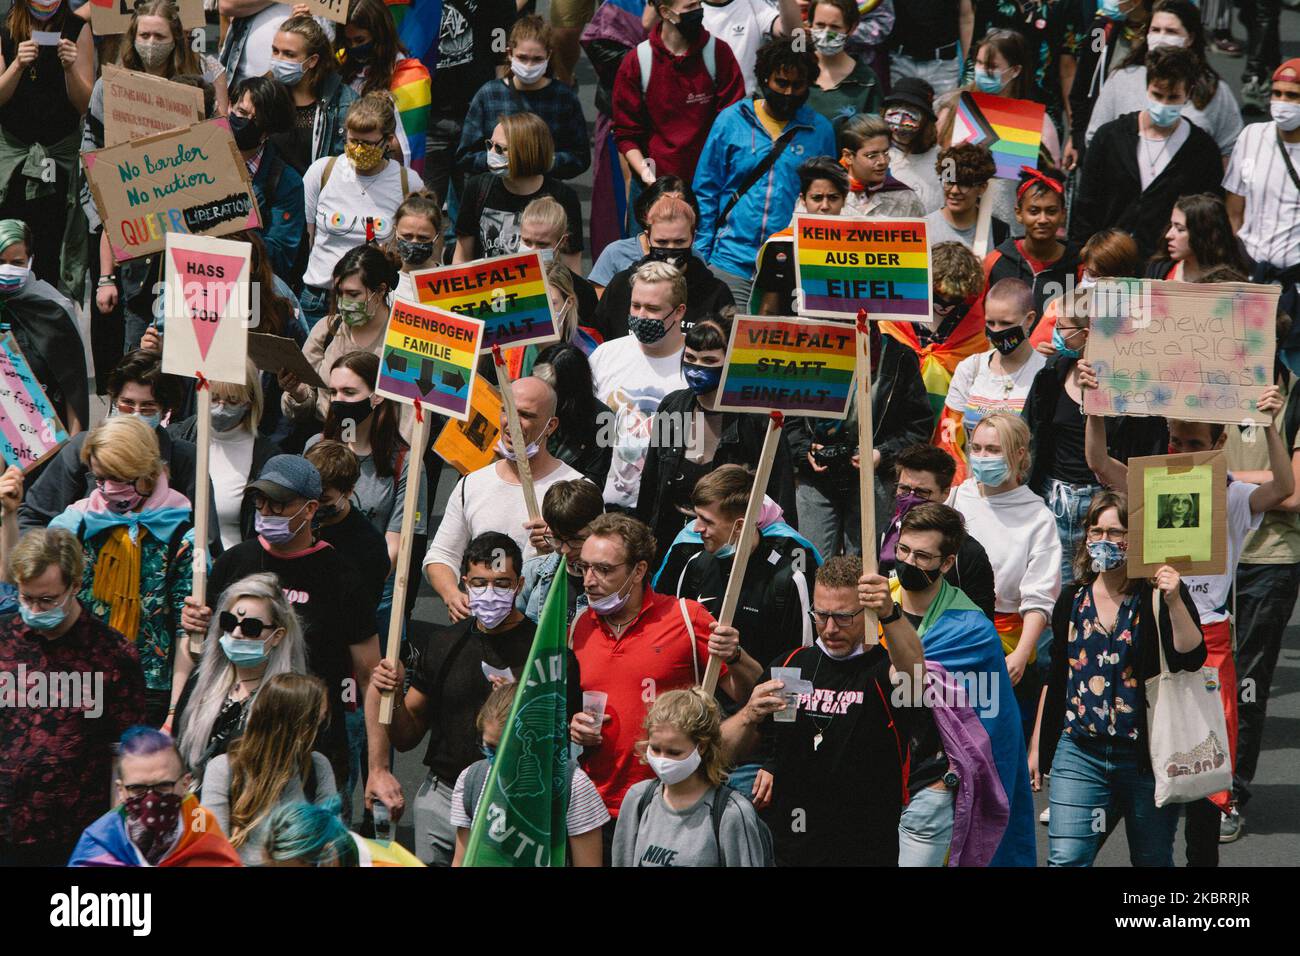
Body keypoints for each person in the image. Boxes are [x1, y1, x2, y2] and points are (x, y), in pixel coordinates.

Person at [1081, 379, 1292, 865]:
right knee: (1143, 746)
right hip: (1151, 625)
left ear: (1219, 444)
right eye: (1177, 441)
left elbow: (1284, 487)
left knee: (1205, 762)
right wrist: (1095, 408)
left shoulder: (1236, 497)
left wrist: (1272, 426)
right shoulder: (1154, 480)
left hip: (1210, 637)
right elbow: (1098, 463)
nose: (1183, 450)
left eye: (1195, 443)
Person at [366, 532, 583, 865]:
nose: (489, 593)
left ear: (520, 583)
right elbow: (407, 736)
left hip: (514, 803)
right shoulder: (442, 645)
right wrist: (392, 696)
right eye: (479, 583)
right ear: (465, 583)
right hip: (443, 798)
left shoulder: (549, 655)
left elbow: (560, 747)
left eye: (501, 583)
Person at [181, 454, 380, 789]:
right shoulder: (235, 563)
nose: (267, 512)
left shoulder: (340, 575)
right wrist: (194, 632)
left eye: (280, 503)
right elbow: (204, 653)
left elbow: (369, 674)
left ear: (311, 509)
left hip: (310, 743)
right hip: (232, 740)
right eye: (261, 501)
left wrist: (378, 768)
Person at [1032, 491, 1207, 867]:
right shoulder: (1072, 600)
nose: (1104, 541)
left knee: (1152, 859)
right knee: (1066, 859)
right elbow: (1058, 675)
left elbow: (1191, 658)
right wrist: (1038, 747)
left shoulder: (1156, 598)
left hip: (1146, 757)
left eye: (1116, 532)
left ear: (1137, 539)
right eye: (1096, 531)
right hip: (1079, 752)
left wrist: (1175, 599)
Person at [570, 514, 756, 860]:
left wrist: (738, 655)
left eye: (604, 570)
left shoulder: (686, 617)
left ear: (639, 571)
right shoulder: (580, 625)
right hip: (594, 806)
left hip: (671, 805)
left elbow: (744, 693)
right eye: (584, 568)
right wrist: (574, 726)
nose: (590, 581)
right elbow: (565, 709)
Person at [719, 554, 925, 866]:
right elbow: (727, 754)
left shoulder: (884, 670)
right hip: (792, 845)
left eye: (843, 617)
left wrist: (890, 614)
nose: (829, 628)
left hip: (865, 847)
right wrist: (749, 715)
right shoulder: (790, 667)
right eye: (821, 614)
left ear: (867, 610)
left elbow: (915, 676)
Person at [880, 503, 1037, 865]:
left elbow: (989, 719)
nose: (908, 562)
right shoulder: (873, 604)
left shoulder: (971, 629)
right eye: (903, 550)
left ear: (947, 563)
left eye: (922, 556)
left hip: (930, 783)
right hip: (873, 772)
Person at [0, 526, 146, 865]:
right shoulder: (4, 639)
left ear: (76, 586)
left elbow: (125, 756)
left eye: (47, 600)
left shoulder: (113, 654)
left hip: (76, 836)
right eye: (26, 598)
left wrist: (117, 837)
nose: (35, 610)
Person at [43, 416, 195, 729]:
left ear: (148, 473)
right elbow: (36, 587)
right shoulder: (78, 522)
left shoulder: (180, 534)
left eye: (118, 478)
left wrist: (172, 716)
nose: (108, 489)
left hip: (148, 690)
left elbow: (185, 630)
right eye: (100, 479)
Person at [692, 36, 837, 308]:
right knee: (724, 343)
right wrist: (702, 255)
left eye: (798, 85)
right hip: (729, 262)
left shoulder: (821, 131)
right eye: (781, 82)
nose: (788, 92)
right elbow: (706, 191)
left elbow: (827, 199)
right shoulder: (730, 120)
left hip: (791, 268)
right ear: (764, 79)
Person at [424, 377, 584, 621]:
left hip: (543, 630)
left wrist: (561, 547)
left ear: (550, 426)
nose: (513, 424)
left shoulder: (577, 490)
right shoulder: (471, 484)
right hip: (482, 628)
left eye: (526, 415)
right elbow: (441, 556)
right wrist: (452, 595)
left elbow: (595, 568)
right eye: (506, 411)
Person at [635, 321, 798, 561]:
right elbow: (650, 486)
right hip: (670, 546)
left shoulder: (759, 421)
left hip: (731, 551)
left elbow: (781, 497)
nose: (696, 368)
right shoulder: (672, 406)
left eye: (709, 361)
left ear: (730, 362)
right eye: (690, 357)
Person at [947, 413, 1061, 737]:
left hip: (1006, 641)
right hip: (950, 633)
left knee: (996, 741)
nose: (982, 457)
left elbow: (1040, 597)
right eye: (977, 448)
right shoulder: (957, 498)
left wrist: (1022, 655)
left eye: (994, 450)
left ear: (1020, 453)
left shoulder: (1037, 515)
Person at [18, 350, 202, 533]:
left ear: (164, 410)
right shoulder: (82, 449)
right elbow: (33, 518)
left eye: (147, 407)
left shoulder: (185, 459)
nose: (135, 413)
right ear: (114, 402)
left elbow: (205, 539)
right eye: (127, 404)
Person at [1070, 46, 1225, 259]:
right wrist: (1080, 261)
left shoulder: (1202, 151)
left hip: (1162, 270)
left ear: (1188, 93)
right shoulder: (1110, 137)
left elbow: (1206, 221)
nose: (1163, 105)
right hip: (1105, 262)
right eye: (1157, 95)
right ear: (1147, 88)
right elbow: (1086, 208)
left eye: (1173, 97)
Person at [452, 680, 608, 866]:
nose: (499, 759)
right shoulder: (472, 779)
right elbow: (462, 861)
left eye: (510, 750)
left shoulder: (573, 785)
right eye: (491, 747)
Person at [173, 572, 307, 784]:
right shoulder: (201, 682)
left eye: (250, 627)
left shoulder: (292, 696)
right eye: (229, 622)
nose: (236, 633)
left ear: (278, 636)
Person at [613, 688, 771, 866]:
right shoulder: (638, 799)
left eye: (674, 752)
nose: (662, 760)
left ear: (701, 747)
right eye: (655, 749)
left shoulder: (731, 812)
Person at [305, 350, 427, 581]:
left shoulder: (406, 462)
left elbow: (396, 543)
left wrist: (356, 585)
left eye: (349, 392)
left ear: (377, 397)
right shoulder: (315, 447)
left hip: (371, 586)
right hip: (314, 580)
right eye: (333, 392)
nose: (338, 400)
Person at [0, 0, 93, 297]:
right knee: (11, 237)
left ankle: (48, 314)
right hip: (15, 158)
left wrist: (69, 68)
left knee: (51, 242)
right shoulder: (5, 25)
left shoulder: (78, 28)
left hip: (59, 159)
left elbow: (85, 105)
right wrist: (17, 65)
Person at [299, 93, 416, 325]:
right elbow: (308, 236)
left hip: (371, 303)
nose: (359, 149)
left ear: (388, 140)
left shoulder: (408, 183)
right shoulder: (322, 172)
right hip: (318, 300)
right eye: (353, 141)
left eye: (368, 143)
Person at [201, 673, 336, 865]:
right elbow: (215, 850)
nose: (320, 730)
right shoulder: (224, 769)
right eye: (317, 722)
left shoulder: (317, 766)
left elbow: (332, 842)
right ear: (297, 726)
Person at [612, 0, 744, 195]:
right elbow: (626, 134)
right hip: (653, 187)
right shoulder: (637, 61)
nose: (699, 11)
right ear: (666, 12)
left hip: (708, 188)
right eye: (690, 7)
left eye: (699, 4)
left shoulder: (719, 53)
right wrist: (651, 181)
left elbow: (733, 123)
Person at [1085, 1, 1243, 161]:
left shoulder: (1214, 90)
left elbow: (1230, 150)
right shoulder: (1122, 78)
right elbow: (1096, 137)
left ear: (1190, 38)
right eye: (1155, 30)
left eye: (1171, 32)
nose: (1161, 38)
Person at [589, 260, 688, 511]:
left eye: (653, 308)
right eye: (636, 305)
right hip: (602, 504)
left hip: (663, 509)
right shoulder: (606, 355)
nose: (641, 316)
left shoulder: (697, 365)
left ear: (679, 311)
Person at [69, 726, 242, 867]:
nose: (151, 801)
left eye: (163, 786)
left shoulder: (201, 826)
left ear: (185, 784)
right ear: (121, 790)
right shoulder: (99, 843)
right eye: (137, 789)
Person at [280, 244, 406, 439]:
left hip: (380, 449)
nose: (343, 302)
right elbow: (306, 408)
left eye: (353, 294)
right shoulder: (327, 330)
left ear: (380, 291)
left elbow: (410, 417)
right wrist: (297, 392)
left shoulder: (403, 339)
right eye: (339, 293)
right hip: (328, 444)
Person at [456, 15, 590, 182]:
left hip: (545, 196)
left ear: (548, 56)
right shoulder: (489, 94)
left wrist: (542, 162)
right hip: (497, 192)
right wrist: (499, 160)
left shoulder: (563, 98)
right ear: (510, 53)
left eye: (537, 59)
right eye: (522, 57)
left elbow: (580, 158)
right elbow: (465, 155)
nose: (529, 66)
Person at [878, 241, 989, 434]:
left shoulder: (977, 328)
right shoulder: (893, 316)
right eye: (938, 295)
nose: (945, 305)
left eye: (955, 298)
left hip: (947, 424)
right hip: (891, 419)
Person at [941, 278, 1045, 482]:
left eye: (1006, 323)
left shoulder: (1043, 373)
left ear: (1030, 319)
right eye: (990, 323)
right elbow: (950, 439)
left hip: (1021, 490)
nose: (997, 330)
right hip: (971, 488)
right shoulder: (970, 368)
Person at [1223, 58, 1300, 333]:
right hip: (1250, 274)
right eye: (1277, 94)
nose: (1282, 102)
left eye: (1292, 96)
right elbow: (1234, 207)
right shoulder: (1251, 136)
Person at [418, 0, 516, 218]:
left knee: (477, 213)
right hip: (428, 116)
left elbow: (500, 53)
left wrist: (499, 115)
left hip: (476, 119)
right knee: (424, 216)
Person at [880, 443, 997, 621]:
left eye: (922, 493)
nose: (910, 498)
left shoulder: (968, 553)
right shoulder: (885, 535)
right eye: (904, 489)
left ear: (945, 493)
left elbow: (980, 621)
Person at [168, 363, 279, 550]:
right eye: (214, 398)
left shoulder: (266, 457)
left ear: (250, 401)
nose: (221, 408)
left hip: (232, 567)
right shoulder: (175, 439)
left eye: (233, 401)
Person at [592, 195, 734, 338]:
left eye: (679, 242)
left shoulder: (715, 293)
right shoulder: (622, 285)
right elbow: (598, 338)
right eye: (662, 242)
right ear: (647, 238)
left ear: (693, 238)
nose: (670, 250)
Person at [453, 112, 585, 264]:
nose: (491, 153)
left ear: (526, 152)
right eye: (490, 145)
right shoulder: (477, 188)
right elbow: (461, 257)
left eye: (500, 149)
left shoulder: (563, 197)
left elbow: (571, 265)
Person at [0, 218, 87, 434]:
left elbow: (73, 387)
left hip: (41, 434)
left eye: (17, 262)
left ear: (30, 261)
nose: (7, 269)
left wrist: (73, 455)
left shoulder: (54, 309)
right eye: (0, 261)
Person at [224, 77, 306, 285]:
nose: (245, 123)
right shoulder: (199, 159)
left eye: (256, 120)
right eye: (241, 113)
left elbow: (280, 254)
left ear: (268, 130)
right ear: (229, 107)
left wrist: (232, 232)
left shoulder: (287, 182)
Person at [335, 0, 431, 175]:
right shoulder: (341, 63)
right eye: (348, 41)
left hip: (388, 176)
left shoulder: (410, 77)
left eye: (360, 40)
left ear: (379, 35)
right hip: (342, 172)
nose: (353, 47)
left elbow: (409, 148)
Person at [302, 440, 390, 619]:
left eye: (324, 499)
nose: (314, 506)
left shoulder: (369, 545)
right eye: (309, 497)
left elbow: (362, 613)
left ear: (349, 492)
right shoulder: (296, 519)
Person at [753, 156, 849, 316]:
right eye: (817, 198)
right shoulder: (781, 245)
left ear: (844, 200)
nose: (825, 206)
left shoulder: (859, 247)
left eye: (833, 198)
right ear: (803, 199)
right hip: (791, 337)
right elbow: (768, 309)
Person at [1064, 0, 1153, 171]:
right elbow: (1082, 87)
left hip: (1148, 142)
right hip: (1103, 144)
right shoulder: (1101, 30)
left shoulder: (1161, 30)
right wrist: (1077, 137)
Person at [983, 167, 1080, 321]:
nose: (1042, 220)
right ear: (1019, 213)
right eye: (1034, 211)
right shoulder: (995, 262)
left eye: (1051, 211)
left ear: (1063, 214)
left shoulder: (1079, 265)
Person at [267, 14, 357, 175]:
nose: (278, 60)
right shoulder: (265, 94)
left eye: (289, 54)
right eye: (275, 51)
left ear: (312, 60)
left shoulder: (344, 103)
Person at [1027, 227, 1142, 351]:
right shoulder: (1062, 307)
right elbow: (1034, 351)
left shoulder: (1142, 313)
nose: (1098, 285)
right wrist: (1040, 354)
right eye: (1093, 274)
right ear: (1084, 267)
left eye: (1107, 279)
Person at [587, 176, 698, 293]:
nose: (672, 214)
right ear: (646, 215)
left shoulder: (695, 260)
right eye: (662, 242)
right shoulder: (615, 254)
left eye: (680, 242)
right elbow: (602, 305)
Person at [519, 478, 606, 625]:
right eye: (557, 538)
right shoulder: (532, 573)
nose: (565, 550)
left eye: (576, 540)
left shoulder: (615, 581)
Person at [531, 342, 613, 487]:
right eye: (536, 382)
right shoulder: (522, 403)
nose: (540, 393)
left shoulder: (602, 419)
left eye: (549, 387)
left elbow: (593, 485)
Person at [218, 0, 335, 88]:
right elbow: (226, 5)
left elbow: (330, 40)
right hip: (242, 85)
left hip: (299, 88)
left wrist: (306, 25)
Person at [805, 0, 883, 130]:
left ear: (852, 28)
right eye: (820, 25)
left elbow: (874, 135)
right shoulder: (796, 71)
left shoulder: (866, 81)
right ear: (810, 24)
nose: (826, 34)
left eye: (835, 27)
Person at [699, 0, 802, 95]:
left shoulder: (754, 4)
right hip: (702, 102)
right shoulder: (690, 8)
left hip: (746, 104)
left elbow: (795, 36)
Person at [1146, 193, 1250, 281]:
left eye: (1180, 229)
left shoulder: (1230, 284)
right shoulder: (1157, 270)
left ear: (1203, 234)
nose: (1168, 235)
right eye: (1171, 225)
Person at [838, 113, 926, 218]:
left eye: (886, 153)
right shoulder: (828, 196)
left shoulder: (906, 198)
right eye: (871, 155)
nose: (883, 161)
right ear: (848, 156)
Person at [924, 143, 1009, 250]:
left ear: (982, 188)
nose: (954, 191)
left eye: (964, 184)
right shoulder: (922, 229)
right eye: (949, 182)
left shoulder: (999, 232)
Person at [886, 0, 974, 97]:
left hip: (943, 65)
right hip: (901, 60)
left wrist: (965, 61)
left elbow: (966, 18)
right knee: (897, 109)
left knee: (943, 109)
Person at [517, 195, 591, 308]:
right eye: (527, 242)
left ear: (562, 242)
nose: (533, 251)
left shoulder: (581, 291)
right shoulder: (496, 282)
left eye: (542, 244)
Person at [885, 77, 944, 214]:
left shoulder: (946, 160)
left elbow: (955, 196)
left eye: (911, 109)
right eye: (896, 106)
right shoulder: (878, 156)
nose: (901, 117)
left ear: (926, 120)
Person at [390, 190, 444, 299]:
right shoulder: (385, 281)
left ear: (436, 238)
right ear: (396, 232)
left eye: (423, 238)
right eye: (407, 236)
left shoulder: (448, 282)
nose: (414, 242)